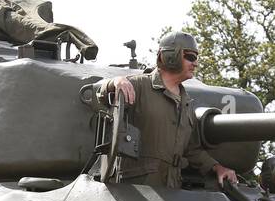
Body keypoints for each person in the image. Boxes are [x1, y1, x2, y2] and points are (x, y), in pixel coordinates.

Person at [88, 31, 238, 190]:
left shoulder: (186, 103)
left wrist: (217, 167)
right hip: (134, 189)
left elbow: (191, 149)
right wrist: (115, 82)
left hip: (171, 189)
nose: (195, 64)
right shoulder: (138, 86)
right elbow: (100, 96)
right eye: (190, 57)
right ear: (169, 56)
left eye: (196, 58)